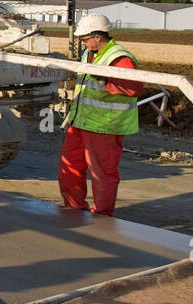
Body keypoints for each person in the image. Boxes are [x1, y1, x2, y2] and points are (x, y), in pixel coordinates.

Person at [58, 13, 144, 216]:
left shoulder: (119, 57)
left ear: (97, 36)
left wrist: (105, 81)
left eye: (85, 39)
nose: (83, 43)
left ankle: (102, 217)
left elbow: (134, 88)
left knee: (102, 173)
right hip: (80, 121)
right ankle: (74, 210)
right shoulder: (90, 53)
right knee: (69, 168)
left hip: (104, 125)